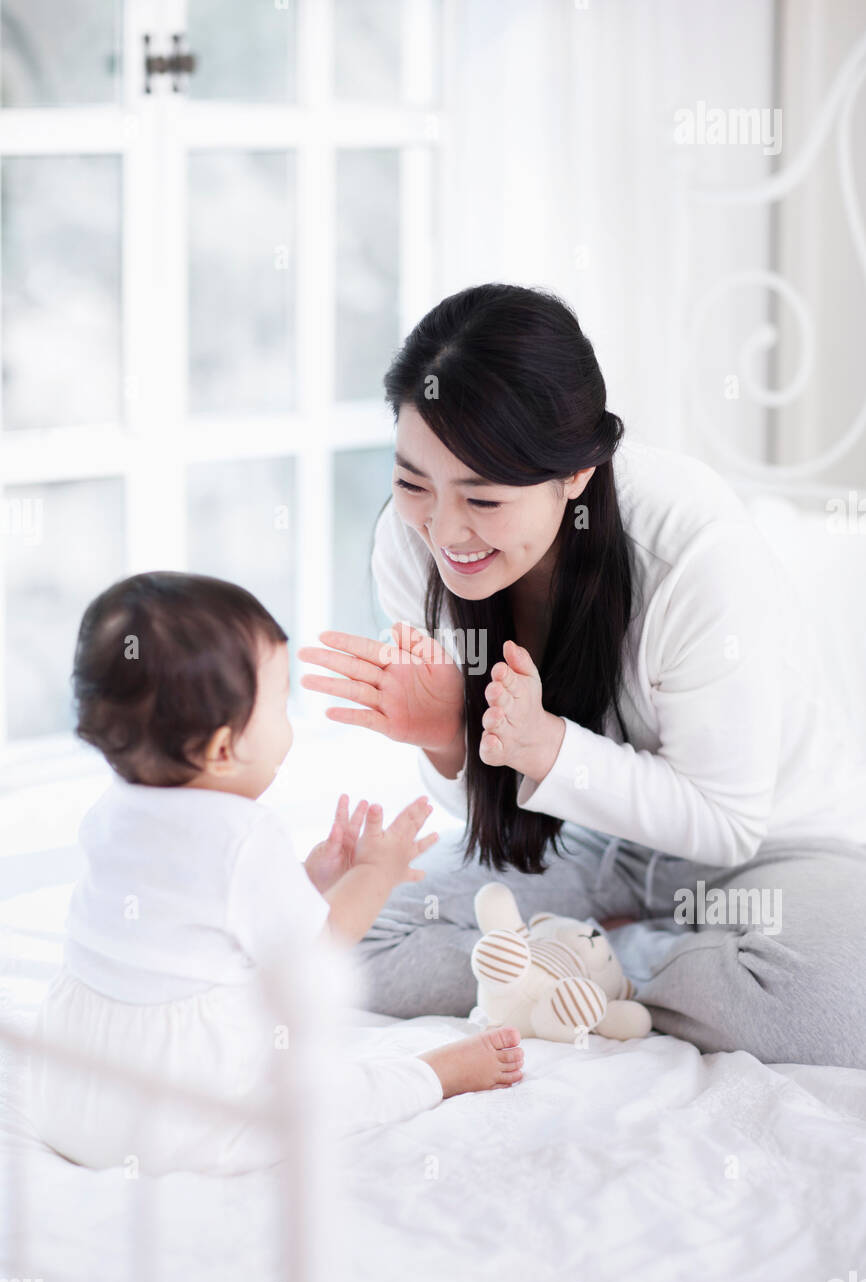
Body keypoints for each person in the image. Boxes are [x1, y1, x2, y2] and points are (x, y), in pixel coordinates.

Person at [298, 282, 866, 1068]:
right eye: (413, 482)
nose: (443, 528)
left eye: (484, 498)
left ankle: (603, 973)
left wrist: (548, 746)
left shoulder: (694, 556)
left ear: (576, 475)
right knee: (348, 944)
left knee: (830, 1012)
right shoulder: (412, 543)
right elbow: (493, 812)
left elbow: (726, 820)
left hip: (769, 846)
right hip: (580, 841)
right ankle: (584, 956)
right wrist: (445, 740)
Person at [28, 573, 524, 1176]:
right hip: (176, 1110)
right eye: (279, 701)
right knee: (323, 1091)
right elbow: (313, 955)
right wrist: (375, 871)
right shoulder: (242, 833)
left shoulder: (111, 813)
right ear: (220, 750)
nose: (290, 722)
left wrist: (309, 882)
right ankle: (439, 1073)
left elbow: (207, 921)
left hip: (77, 1089)